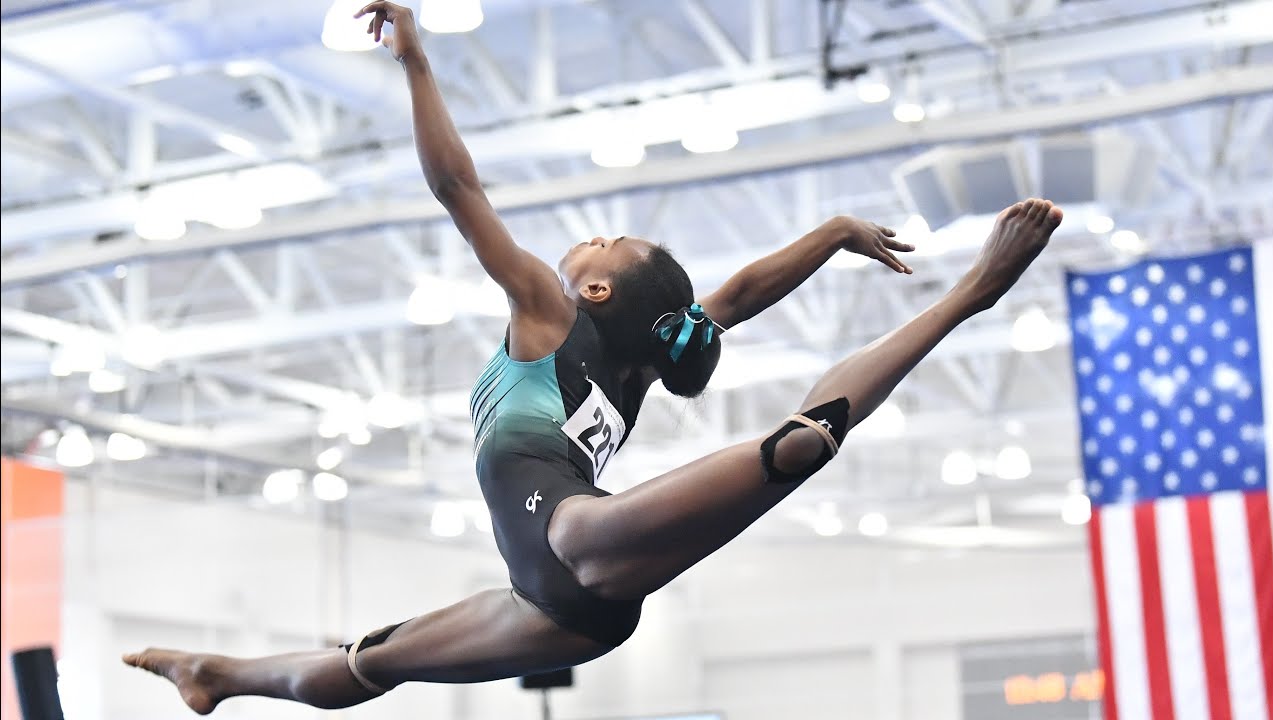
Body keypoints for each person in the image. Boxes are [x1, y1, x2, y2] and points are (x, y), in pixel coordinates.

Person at [123, 2, 1065, 714]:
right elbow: (731, 299)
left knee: (801, 445)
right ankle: (220, 677)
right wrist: (830, 231)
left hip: (578, 547)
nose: (584, 243)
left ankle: (969, 295)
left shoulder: (546, 308)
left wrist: (416, 62)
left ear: (596, 291)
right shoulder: (639, 355)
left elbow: (457, 186)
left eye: (602, 244)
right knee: (368, 661)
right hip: (560, 604)